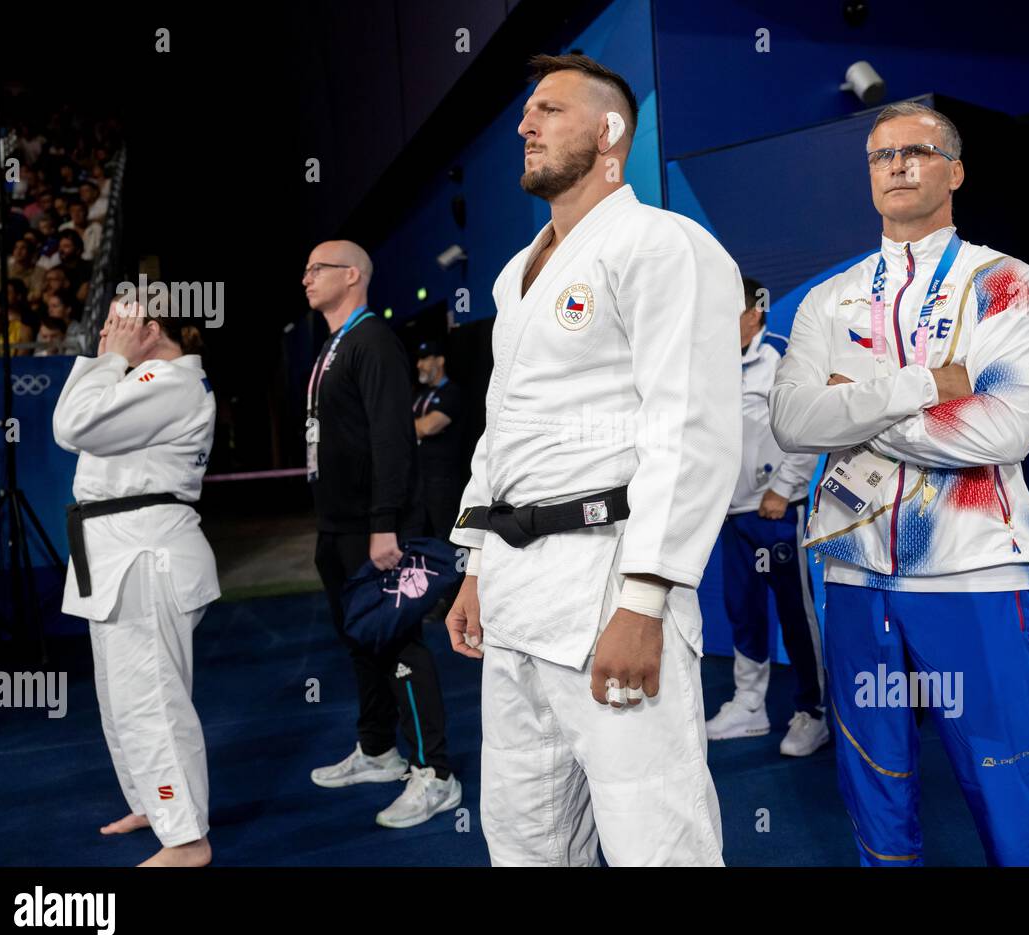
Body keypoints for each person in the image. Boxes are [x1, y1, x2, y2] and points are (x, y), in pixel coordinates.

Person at [445, 53, 743, 866]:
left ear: (609, 132)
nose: (525, 126)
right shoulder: (517, 274)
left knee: (654, 835)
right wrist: (474, 564)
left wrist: (645, 601)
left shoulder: (663, 245)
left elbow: (689, 429)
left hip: (606, 578)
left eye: (549, 110)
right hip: (515, 586)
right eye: (526, 114)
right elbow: (502, 429)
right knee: (524, 834)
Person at [769, 102, 1029, 866]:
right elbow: (795, 422)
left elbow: (1002, 431)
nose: (896, 165)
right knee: (874, 791)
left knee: (1007, 788)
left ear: (955, 171)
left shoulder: (1006, 282)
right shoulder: (827, 299)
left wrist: (855, 406)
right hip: (853, 573)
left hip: (974, 573)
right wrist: (926, 386)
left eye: (917, 151)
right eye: (880, 156)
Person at [51, 298, 219, 867]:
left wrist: (107, 361)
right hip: (117, 548)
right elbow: (80, 428)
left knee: (149, 698)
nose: (105, 333)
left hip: (144, 553)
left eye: (119, 323)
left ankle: (187, 838)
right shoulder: (144, 379)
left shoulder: (168, 380)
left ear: (152, 330)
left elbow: (70, 426)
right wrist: (112, 361)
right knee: (119, 698)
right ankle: (157, 804)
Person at [302, 239, 459, 828]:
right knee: (360, 641)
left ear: (352, 275)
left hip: (374, 528)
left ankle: (436, 774)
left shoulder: (372, 341)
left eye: (317, 269)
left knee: (397, 646)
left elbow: (393, 439)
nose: (306, 278)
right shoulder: (333, 346)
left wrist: (384, 523)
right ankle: (377, 750)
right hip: (335, 526)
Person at [707, 276, 826, 754]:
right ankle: (750, 706)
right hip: (732, 514)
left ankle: (813, 711)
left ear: (755, 312)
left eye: (727, 310)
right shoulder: (712, 363)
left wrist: (782, 488)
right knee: (743, 612)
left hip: (775, 512)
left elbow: (806, 426)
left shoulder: (781, 355)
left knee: (796, 614)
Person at [411, 339, 466, 540]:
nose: (419, 364)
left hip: (442, 481)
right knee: (417, 535)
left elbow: (428, 426)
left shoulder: (452, 392)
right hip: (418, 479)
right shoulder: (419, 395)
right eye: (419, 359)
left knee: (445, 536)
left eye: (425, 359)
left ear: (440, 361)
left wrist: (410, 426)